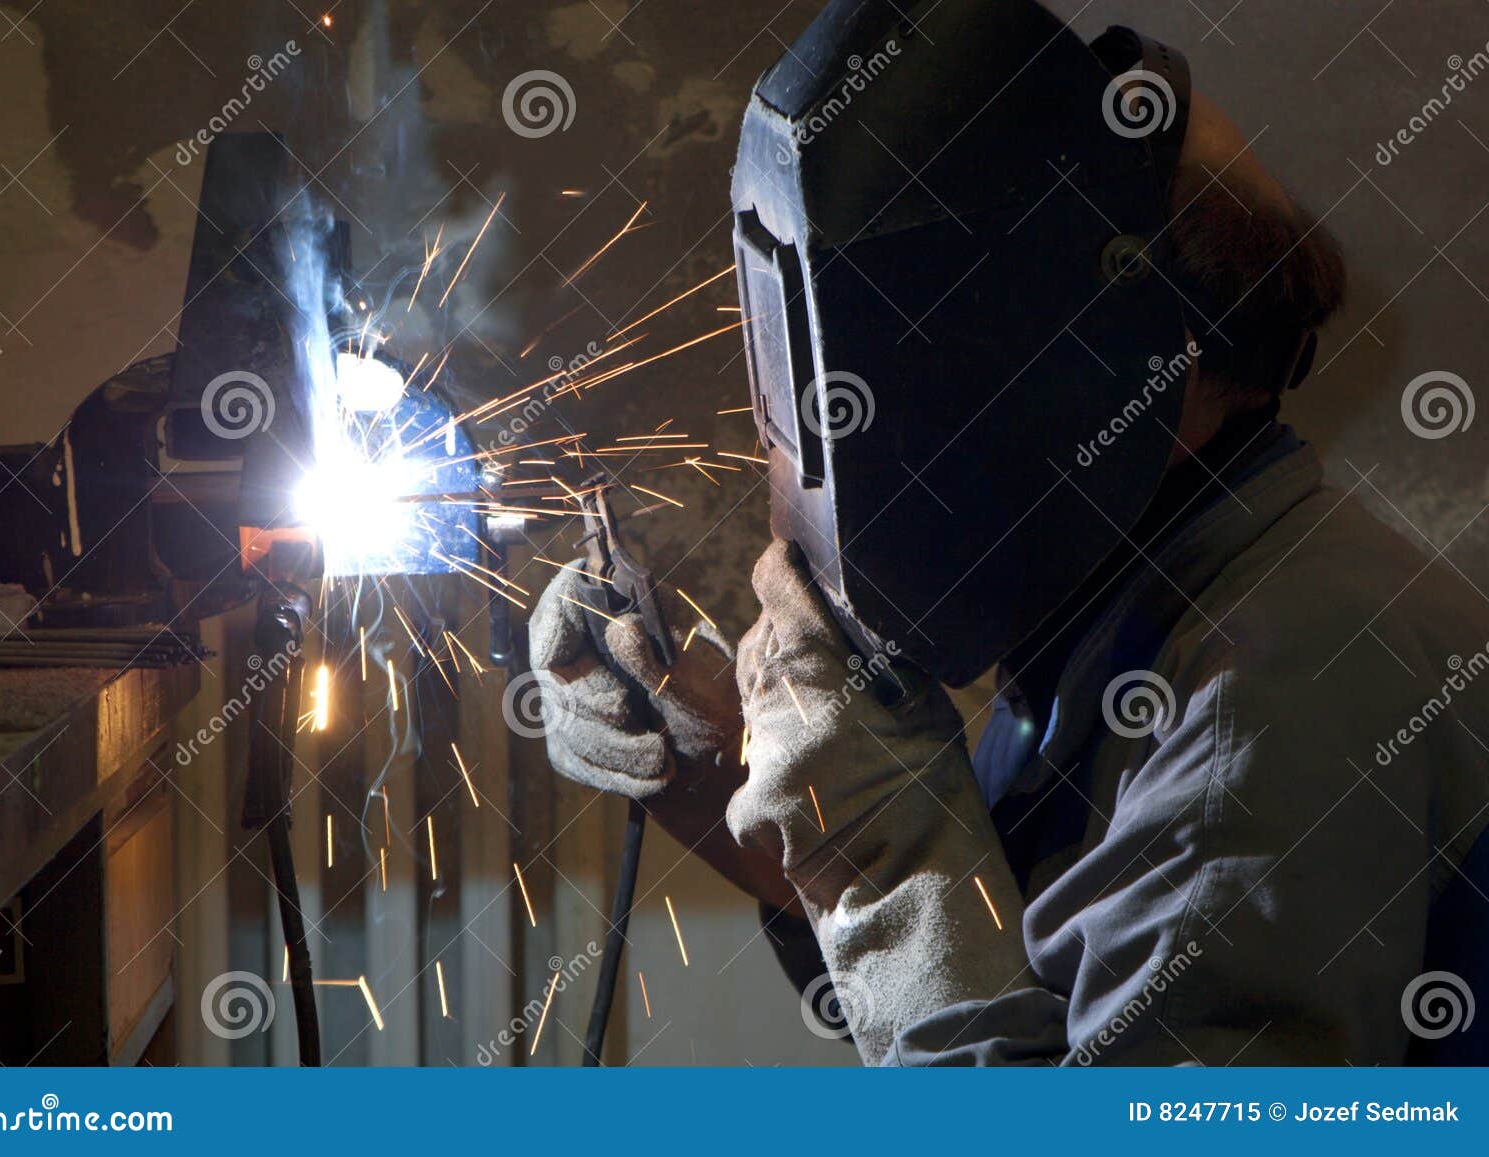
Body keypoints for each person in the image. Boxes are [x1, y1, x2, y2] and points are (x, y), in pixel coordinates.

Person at [529, 6, 1489, 1066]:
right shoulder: (1116, 633)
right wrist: (724, 783)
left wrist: (886, 832)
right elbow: (996, 994)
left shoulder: (1268, 696)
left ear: (1106, 369)